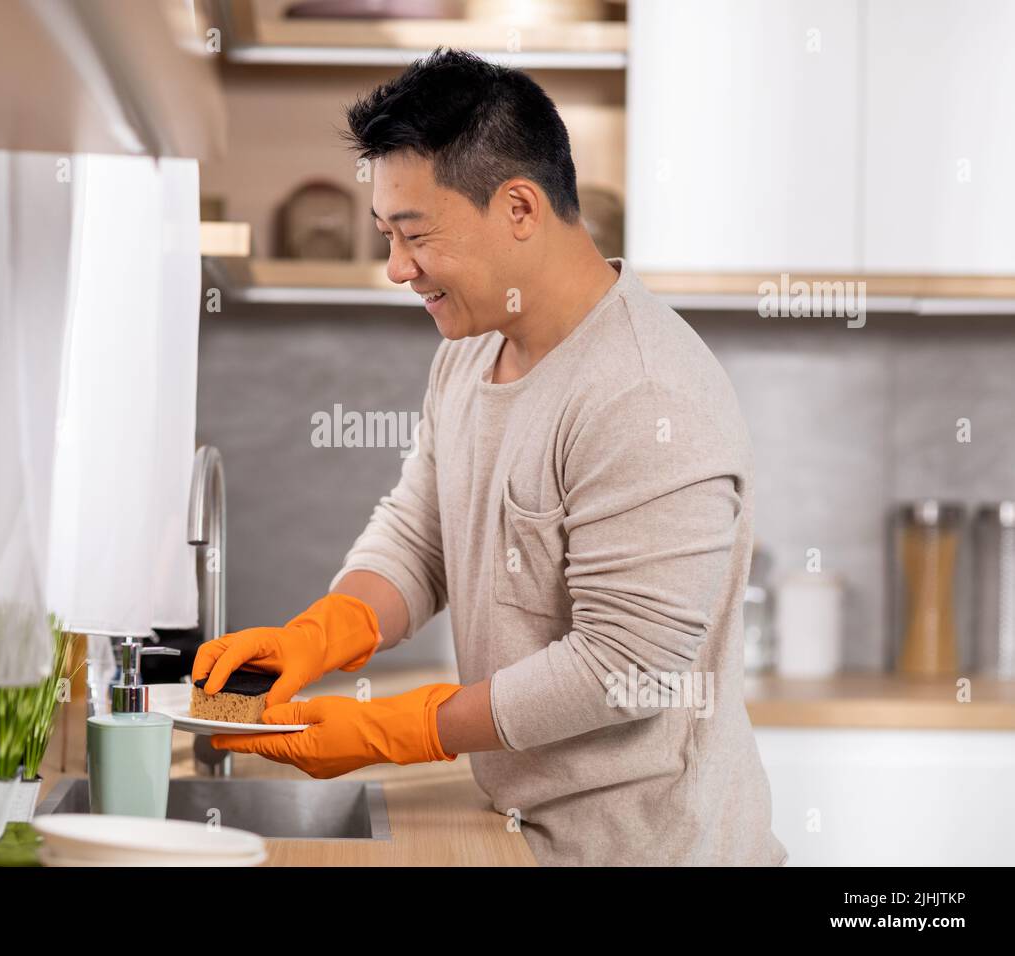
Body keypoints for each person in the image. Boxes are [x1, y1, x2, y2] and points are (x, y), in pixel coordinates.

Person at [198, 49, 787, 867]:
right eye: (386, 236)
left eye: (415, 236)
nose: (399, 269)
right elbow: (421, 535)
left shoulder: (647, 396)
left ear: (518, 208)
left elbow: (624, 669)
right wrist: (322, 635)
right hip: (528, 835)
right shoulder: (472, 350)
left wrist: (396, 727)